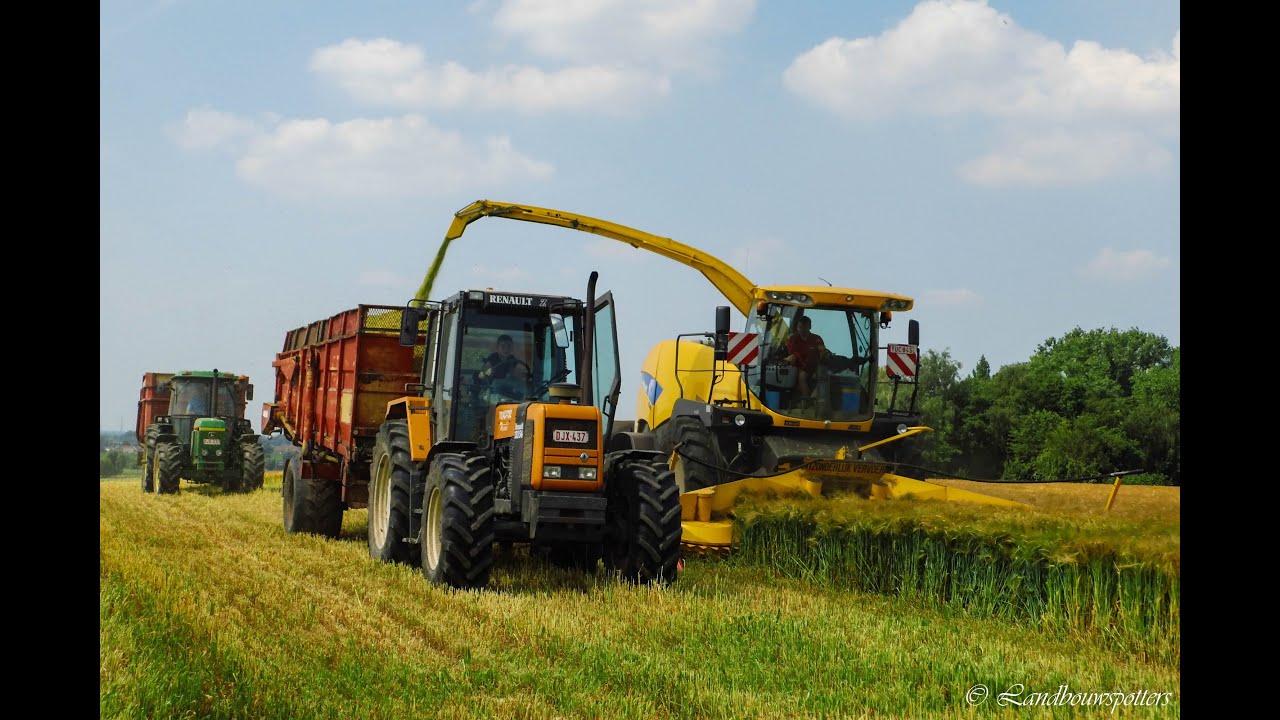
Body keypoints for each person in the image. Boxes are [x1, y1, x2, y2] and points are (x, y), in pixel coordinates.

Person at [783, 315, 826, 397]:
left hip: (815, 366)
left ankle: (813, 398)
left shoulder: (817, 339)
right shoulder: (792, 339)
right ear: (797, 327)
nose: (802, 329)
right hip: (800, 367)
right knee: (802, 376)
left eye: (805, 327)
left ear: (810, 326)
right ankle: (807, 400)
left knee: (823, 375)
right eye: (800, 327)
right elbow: (793, 356)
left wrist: (822, 353)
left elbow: (822, 353)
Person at [478, 334, 530, 399]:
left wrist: (521, 374)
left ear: (512, 348)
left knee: (523, 386)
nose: (506, 349)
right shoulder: (492, 358)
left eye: (509, 346)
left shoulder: (512, 359)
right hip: (494, 390)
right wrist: (489, 372)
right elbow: (481, 375)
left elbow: (517, 372)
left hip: (508, 388)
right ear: (497, 347)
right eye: (503, 346)